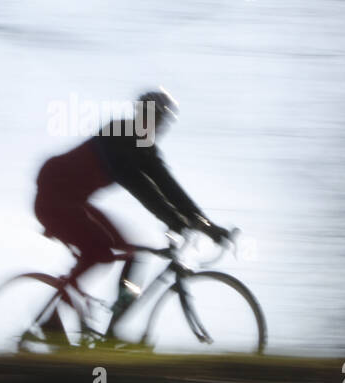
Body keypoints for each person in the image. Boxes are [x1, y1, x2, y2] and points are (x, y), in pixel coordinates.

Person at [34, 89, 229, 337]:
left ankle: (112, 329)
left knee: (133, 254)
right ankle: (51, 320)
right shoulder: (116, 134)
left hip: (74, 202)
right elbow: (136, 182)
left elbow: (168, 186)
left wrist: (206, 225)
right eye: (151, 118)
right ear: (139, 115)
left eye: (159, 121)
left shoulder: (145, 149)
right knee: (100, 253)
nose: (156, 126)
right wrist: (173, 219)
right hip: (54, 200)